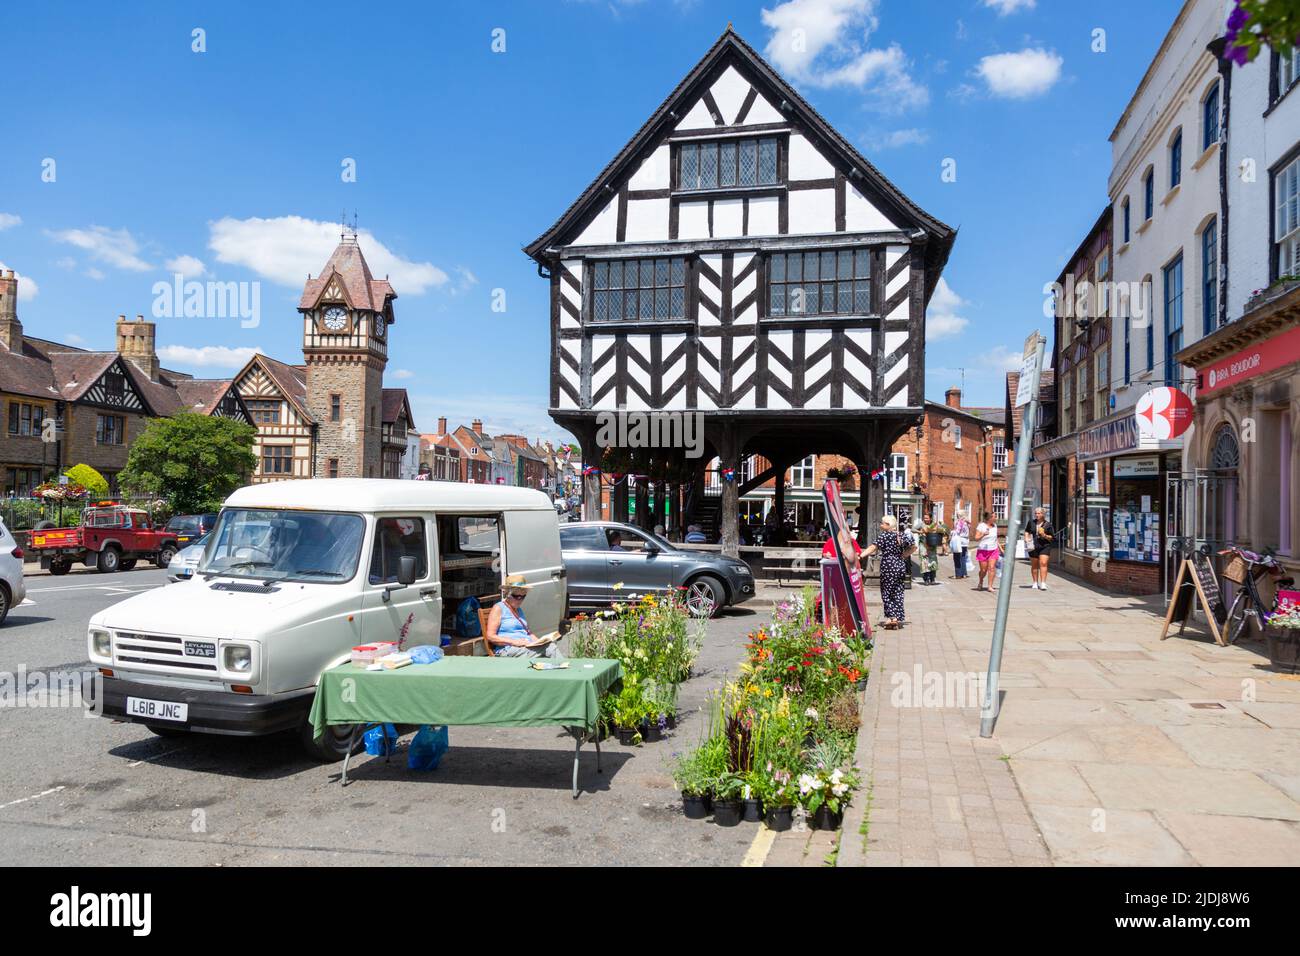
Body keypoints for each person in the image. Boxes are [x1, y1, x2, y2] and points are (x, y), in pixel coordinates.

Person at [485, 574, 561, 659]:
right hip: (509, 650)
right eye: (516, 596)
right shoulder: (498, 608)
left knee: (549, 646)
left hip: (525, 648)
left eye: (522, 597)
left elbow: (528, 633)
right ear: (507, 594)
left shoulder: (519, 610)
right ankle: (567, 669)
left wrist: (540, 642)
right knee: (550, 649)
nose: (520, 600)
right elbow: (490, 636)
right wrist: (514, 642)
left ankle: (564, 668)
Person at [864, 514, 907, 627]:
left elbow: (873, 547)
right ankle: (897, 617)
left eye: (882, 523)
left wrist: (861, 555)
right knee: (898, 591)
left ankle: (892, 617)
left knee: (887, 592)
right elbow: (914, 546)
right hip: (900, 565)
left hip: (888, 566)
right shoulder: (901, 535)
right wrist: (904, 555)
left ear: (888, 525)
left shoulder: (884, 536)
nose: (881, 525)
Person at [1027, 507, 1053, 590]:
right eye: (1036, 513)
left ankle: (1043, 583)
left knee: (1043, 563)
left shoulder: (1048, 525)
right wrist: (1026, 538)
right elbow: (1027, 531)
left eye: (1039, 513)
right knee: (1034, 565)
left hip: (1044, 546)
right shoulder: (1031, 522)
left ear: (1043, 514)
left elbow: (1052, 537)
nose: (1037, 515)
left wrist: (1044, 535)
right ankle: (1035, 582)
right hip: (1033, 546)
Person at [974, 512, 1000, 592]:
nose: (996, 518)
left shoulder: (995, 526)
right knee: (983, 570)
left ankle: (990, 586)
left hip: (993, 550)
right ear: (989, 518)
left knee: (992, 568)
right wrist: (983, 534)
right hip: (983, 551)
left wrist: (1001, 549)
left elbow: (995, 539)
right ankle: (981, 581)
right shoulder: (981, 526)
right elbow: (976, 538)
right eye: (994, 517)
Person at [919, 512, 944, 586]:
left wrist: (936, 530)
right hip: (923, 546)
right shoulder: (921, 524)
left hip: (932, 546)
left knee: (932, 562)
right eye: (924, 518)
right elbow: (913, 529)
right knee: (924, 562)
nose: (925, 519)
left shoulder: (934, 524)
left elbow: (943, 530)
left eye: (927, 518)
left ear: (930, 518)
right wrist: (920, 531)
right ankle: (926, 579)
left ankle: (932, 579)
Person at [950, 514, 970, 579]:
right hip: (965, 542)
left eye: (957, 515)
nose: (957, 517)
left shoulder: (960, 522)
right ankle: (964, 574)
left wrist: (952, 532)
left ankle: (958, 574)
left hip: (959, 542)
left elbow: (957, 532)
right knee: (963, 558)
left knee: (957, 558)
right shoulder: (967, 523)